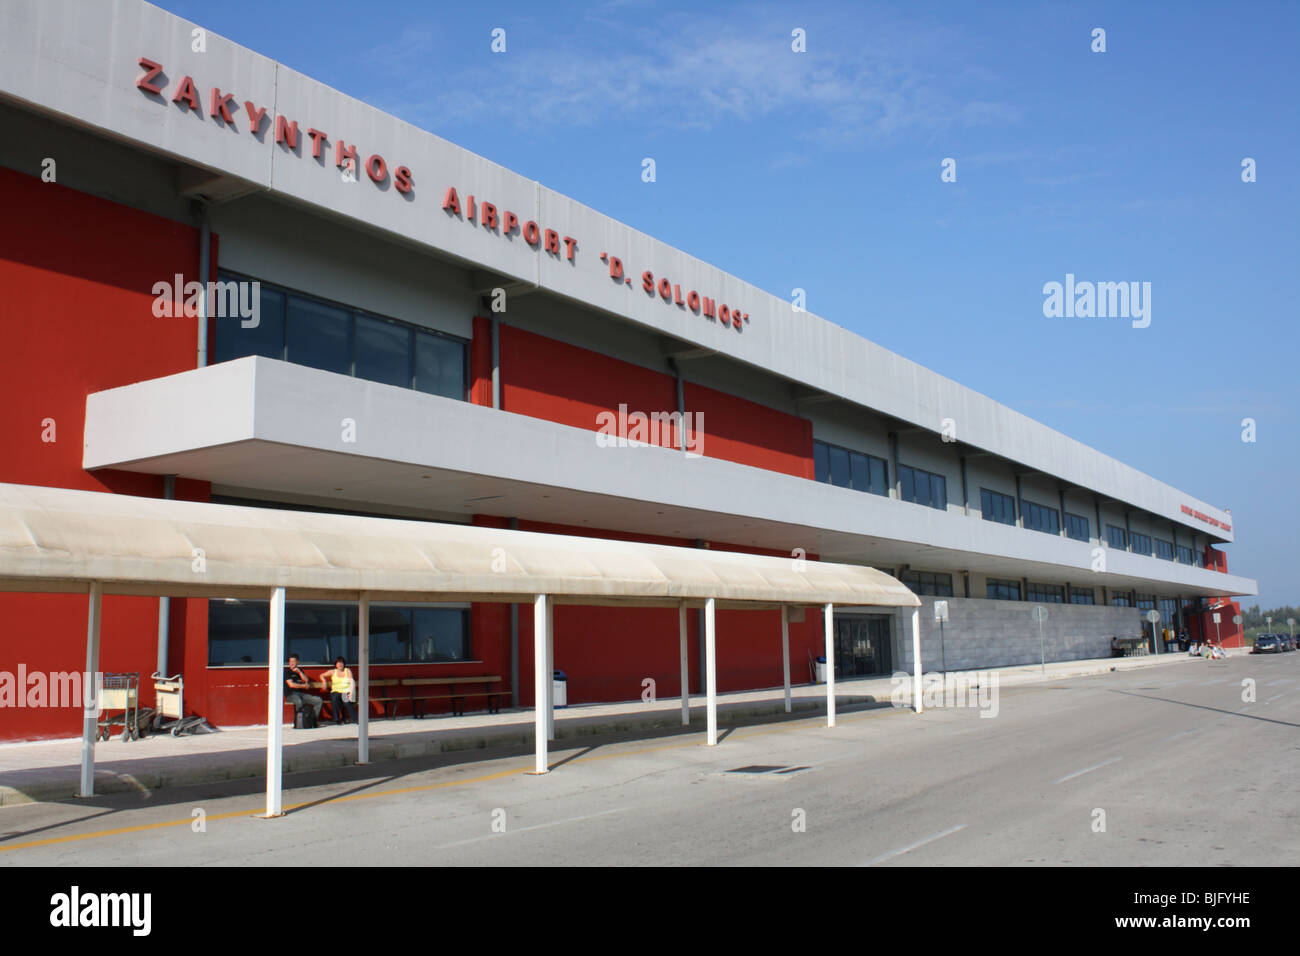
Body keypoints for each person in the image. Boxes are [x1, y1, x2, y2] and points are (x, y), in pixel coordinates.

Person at [284, 653, 323, 726]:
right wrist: (303, 686)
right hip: (291, 694)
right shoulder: (287, 672)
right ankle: (299, 722)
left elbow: (306, 680)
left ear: (297, 662)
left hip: (301, 694)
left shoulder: (300, 671)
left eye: (293, 661)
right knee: (299, 702)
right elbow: (291, 685)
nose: (292, 663)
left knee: (318, 701)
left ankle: (312, 721)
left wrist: (299, 672)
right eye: (290, 662)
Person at [321, 656, 357, 724]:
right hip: (336, 691)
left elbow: (352, 682)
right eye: (338, 663)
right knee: (335, 698)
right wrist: (324, 681)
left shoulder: (347, 670)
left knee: (346, 702)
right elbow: (322, 675)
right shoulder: (332, 671)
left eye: (341, 663)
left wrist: (351, 693)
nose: (340, 664)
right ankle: (337, 719)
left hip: (345, 691)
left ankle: (356, 719)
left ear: (344, 664)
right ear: (335, 665)